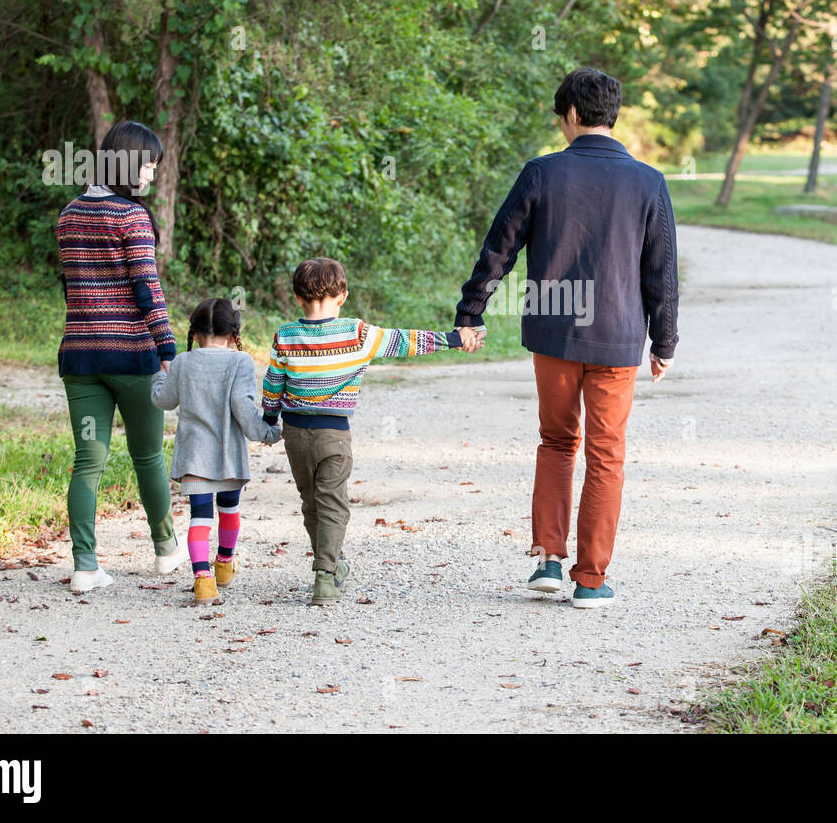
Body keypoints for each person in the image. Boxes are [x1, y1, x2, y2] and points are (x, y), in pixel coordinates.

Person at [454, 67, 680, 609]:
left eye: (560, 117)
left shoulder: (542, 174)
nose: (560, 125)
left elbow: (498, 249)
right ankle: (591, 581)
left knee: (557, 442)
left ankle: (549, 561)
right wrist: (665, 342)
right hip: (619, 340)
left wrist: (471, 311)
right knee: (607, 456)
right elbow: (662, 272)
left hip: (554, 335)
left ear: (573, 115)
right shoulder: (648, 181)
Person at [261, 257, 479, 605]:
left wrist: (269, 417)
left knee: (311, 502)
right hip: (334, 434)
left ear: (298, 299)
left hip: (296, 435)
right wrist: (455, 339)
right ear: (343, 296)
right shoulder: (358, 334)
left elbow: (273, 383)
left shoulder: (285, 336)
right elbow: (406, 341)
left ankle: (329, 564)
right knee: (333, 502)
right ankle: (326, 575)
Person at [56, 119, 182, 594]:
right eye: (149, 166)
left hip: (81, 358)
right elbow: (147, 288)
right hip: (132, 356)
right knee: (147, 455)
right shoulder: (131, 217)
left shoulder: (68, 214)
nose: (152, 175)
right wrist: (167, 348)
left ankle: (84, 565)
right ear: (128, 164)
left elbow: (70, 288)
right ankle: (165, 550)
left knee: (87, 460)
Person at [151, 298, 282, 605]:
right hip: (229, 457)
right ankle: (224, 564)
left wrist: (160, 375)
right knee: (229, 511)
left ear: (194, 333)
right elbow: (243, 407)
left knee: (199, 517)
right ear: (233, 332)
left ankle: (202, 582)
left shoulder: (182, 362)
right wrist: (268, 432)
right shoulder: (241, 362)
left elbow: (163, 400)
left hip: (194, 456)